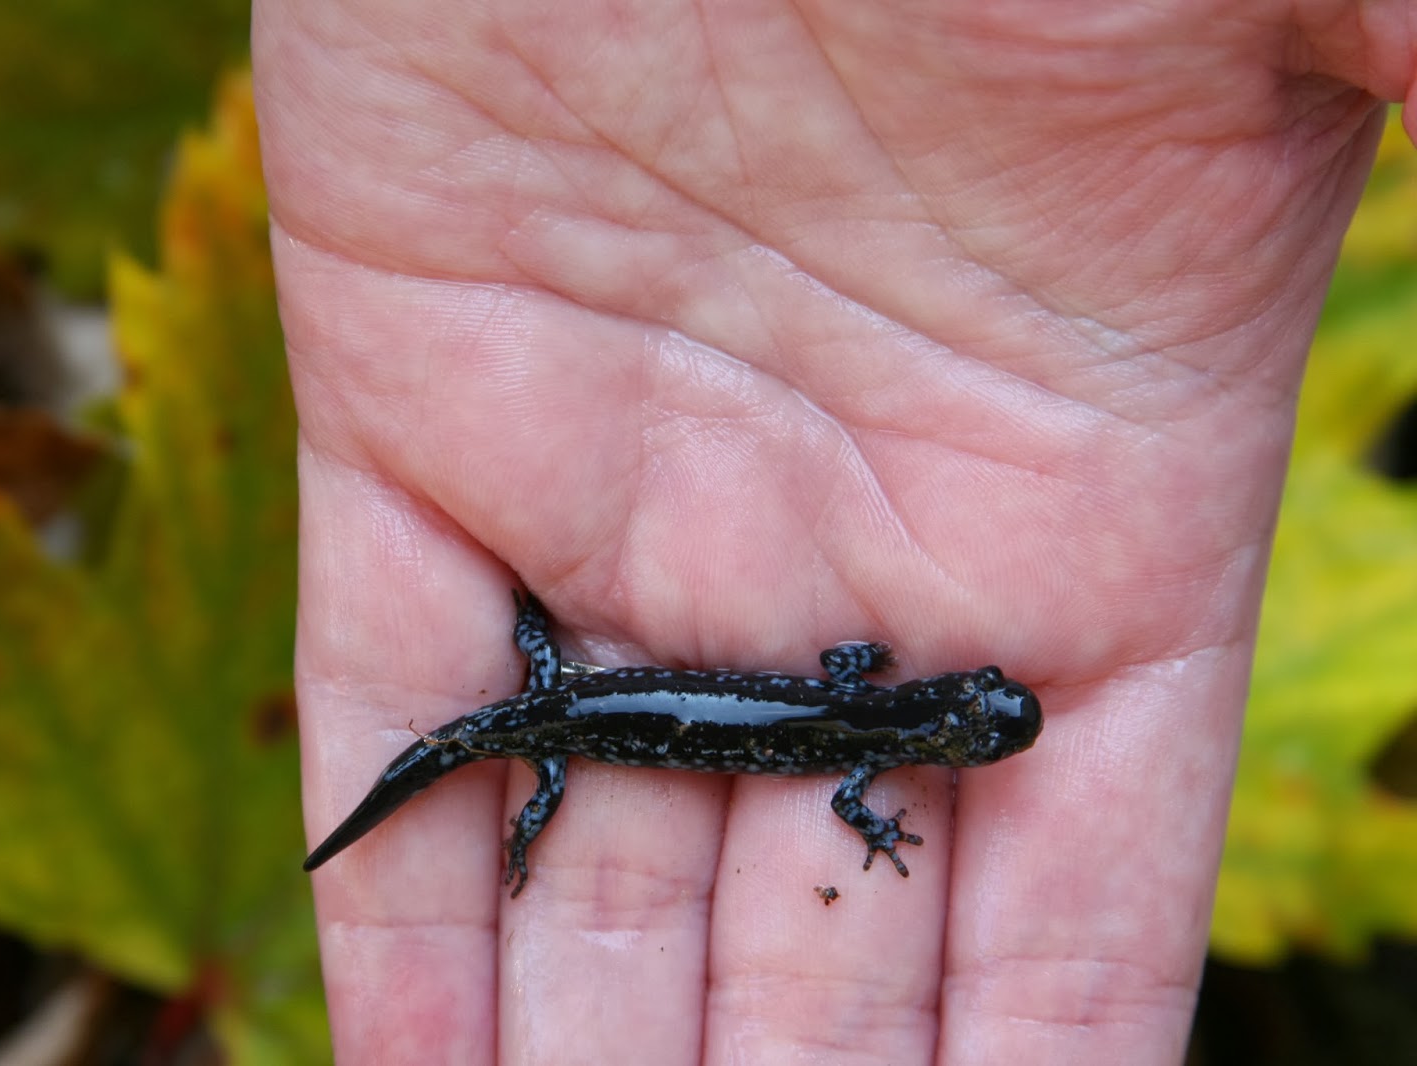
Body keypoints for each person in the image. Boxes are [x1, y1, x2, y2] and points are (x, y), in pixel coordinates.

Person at [252, 2, 1417, 1061]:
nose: (994, 715)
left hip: (570, 703)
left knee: (535, 758)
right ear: (945, 736)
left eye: (989, 717)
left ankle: (469, 759)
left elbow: (853, 717)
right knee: (526, 765)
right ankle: (443, 781)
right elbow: (856, 795)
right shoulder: (861, 747)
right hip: (565, 713)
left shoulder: (859, 712)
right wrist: (875, 831)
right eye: (991, 715)